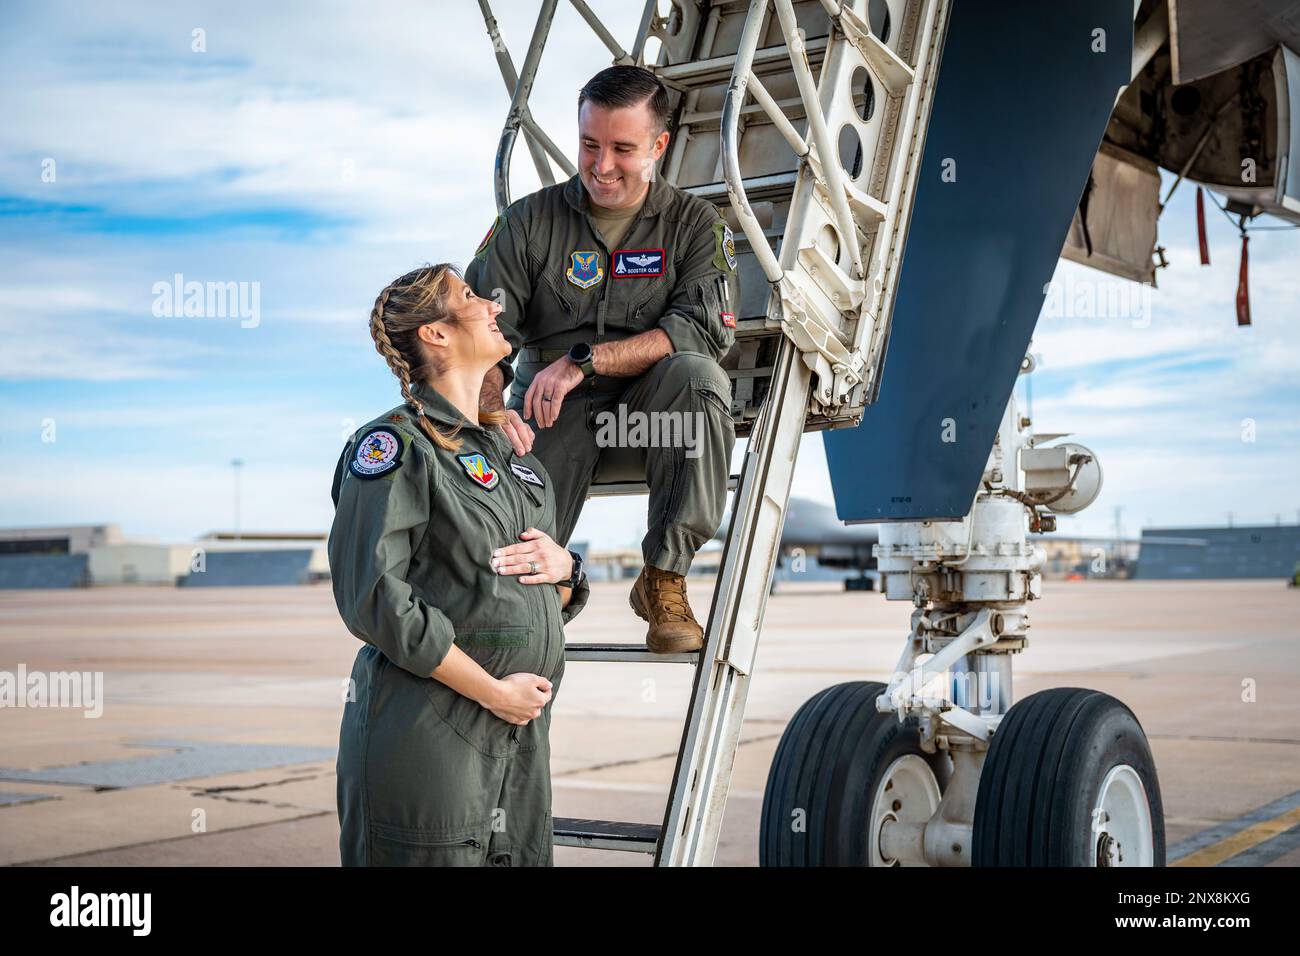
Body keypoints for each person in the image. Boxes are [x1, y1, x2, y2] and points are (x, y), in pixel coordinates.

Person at [466, 64, 738, 654]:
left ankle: (663, 580)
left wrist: (583, 362)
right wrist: (490, 409)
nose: (601, 165)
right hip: (548, 413)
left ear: (659, 145)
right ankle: (531, 628)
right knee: (507, 580)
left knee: (700, 377)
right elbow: (482, 331)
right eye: (590, 144)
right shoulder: (527, 223)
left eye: (622, 148)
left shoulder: (694, 226)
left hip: (648, 416)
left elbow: (700, 328)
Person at [329, 263, 590, 867]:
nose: (493, 305)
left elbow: (511, 592)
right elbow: (373, 599)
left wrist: (567, 571)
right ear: (437, 334)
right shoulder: (395, 446)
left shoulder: (514, 459)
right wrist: (495, 692)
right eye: (471, 297)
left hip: (519, 737)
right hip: (434, 729)